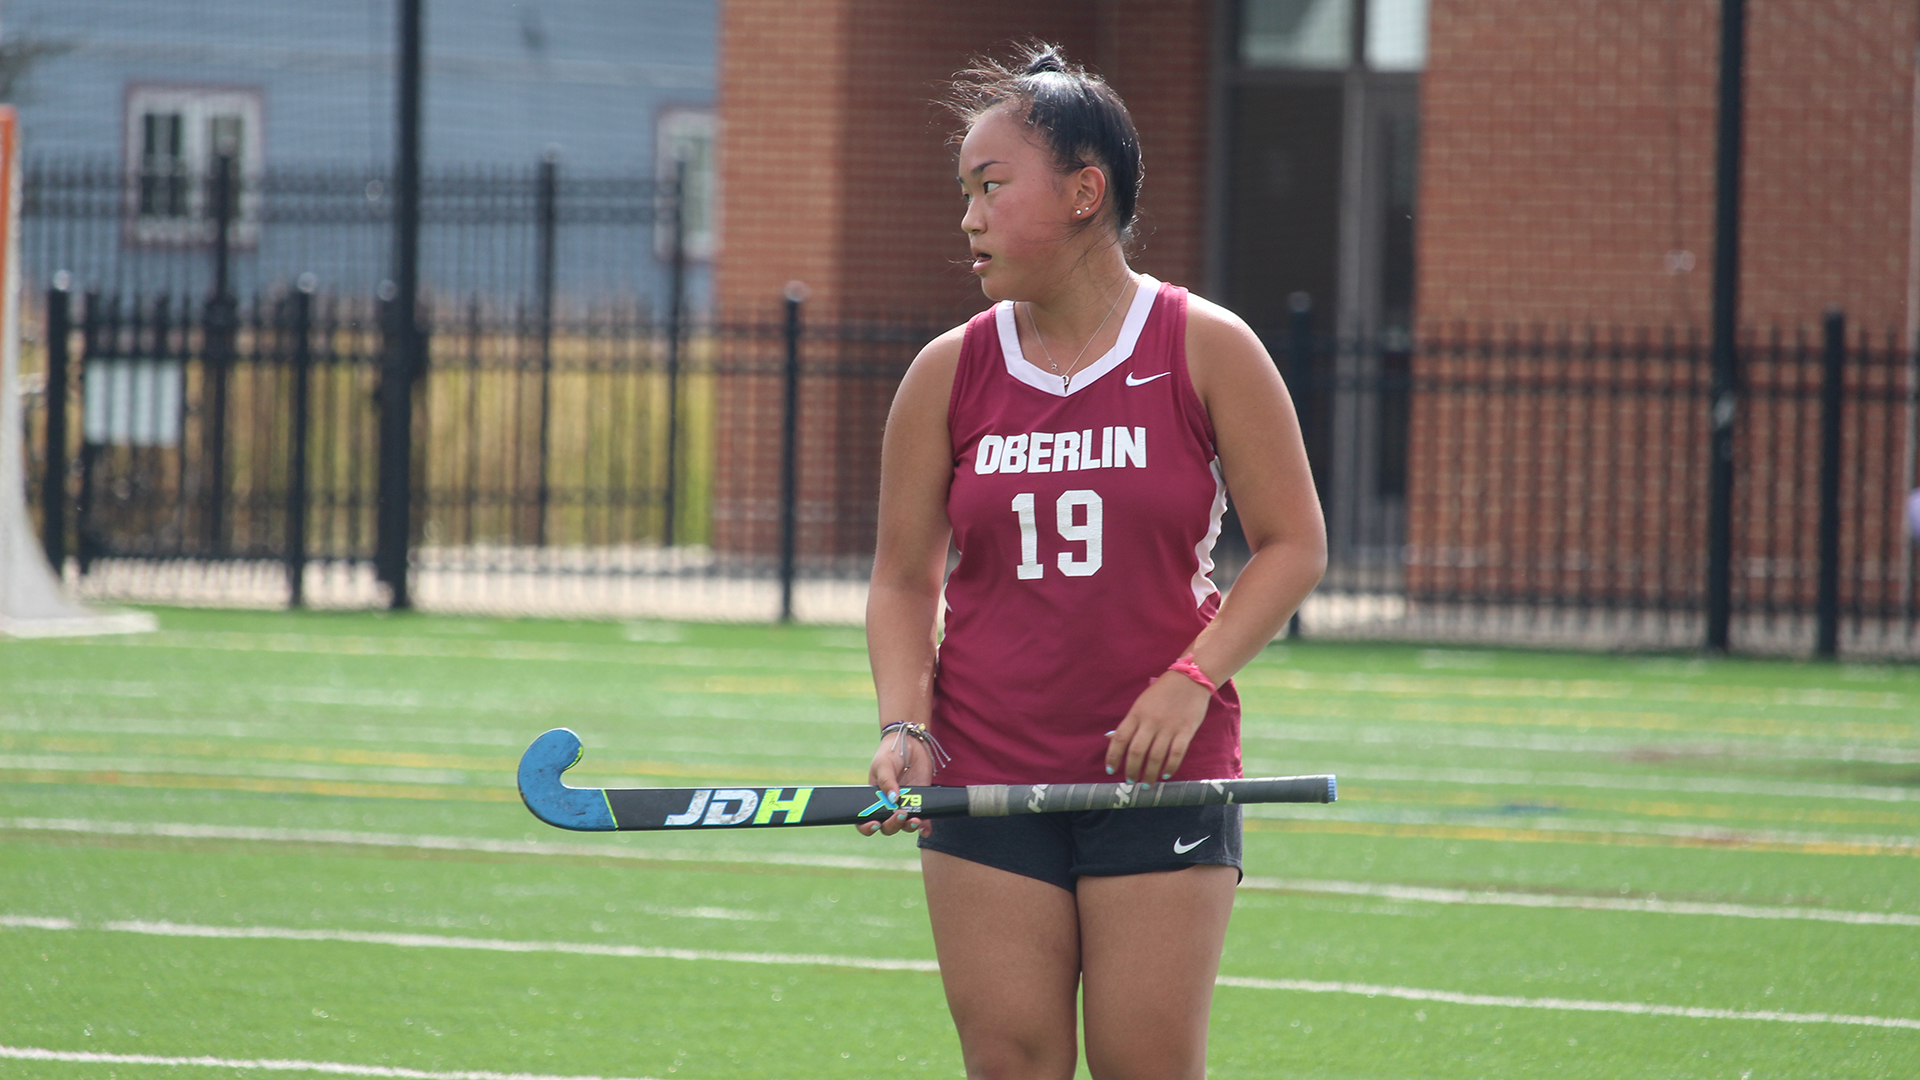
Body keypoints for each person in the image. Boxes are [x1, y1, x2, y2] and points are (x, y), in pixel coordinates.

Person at [859, 44, 1326, 1080]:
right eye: (963, 193)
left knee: (1144, 1065)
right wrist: (904, 725)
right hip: (987, 770)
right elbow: (902, 580)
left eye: (991, 188)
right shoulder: (950, 371)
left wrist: (1192, 679)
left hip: (1156, 778)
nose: (968, 217)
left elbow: (1294, 546)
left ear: (1084, 191)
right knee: (1011, 1063)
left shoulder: (1205, 345)